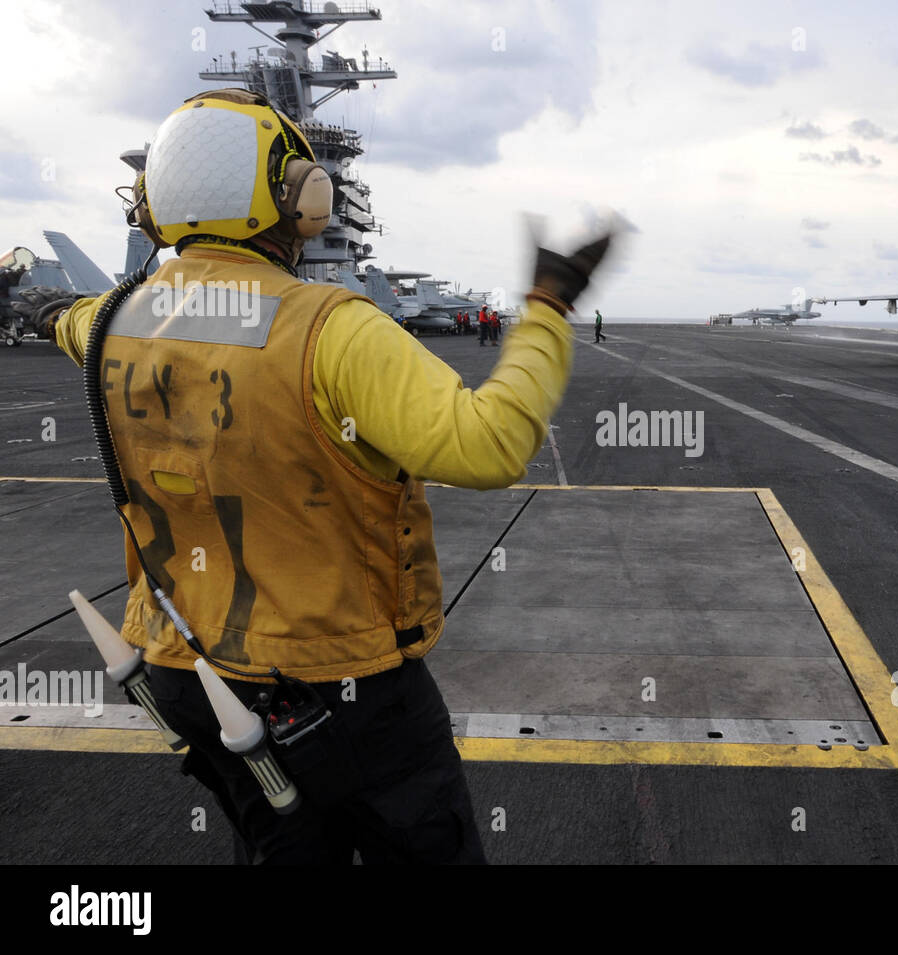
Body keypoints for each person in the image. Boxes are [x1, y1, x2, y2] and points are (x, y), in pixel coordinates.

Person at [29, 87, 614, 864]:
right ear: (302, 202)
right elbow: (490, 445)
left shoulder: (110, 322)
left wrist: (48, 310)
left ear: (151, 208)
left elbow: (71, 319)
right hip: (338, 689)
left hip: (182, 671)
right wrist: (547, 306)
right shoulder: (330, 328)